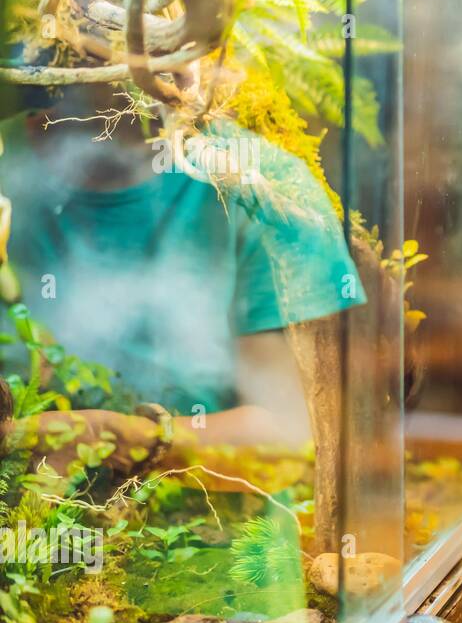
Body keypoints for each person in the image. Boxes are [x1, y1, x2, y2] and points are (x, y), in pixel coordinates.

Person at [0, 83, 363, 479]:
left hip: (215, 533)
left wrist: (119, 439)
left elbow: (291, 436)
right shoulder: (9, 165)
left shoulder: (260, 185)